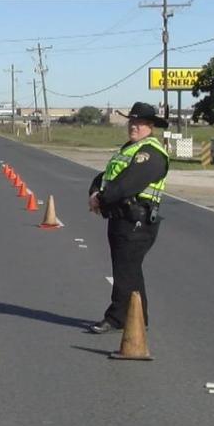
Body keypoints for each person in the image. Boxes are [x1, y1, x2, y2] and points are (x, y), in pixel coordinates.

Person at [86, 102, 170, 334]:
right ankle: (137, 318)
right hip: (122, 219)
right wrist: (95, 191)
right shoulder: (129, 149)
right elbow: (107, 175)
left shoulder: (150, 154)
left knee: (125, 272)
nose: (134, 126)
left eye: (139, 122)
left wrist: (100, 200)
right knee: (129, 270)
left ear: (150, 126)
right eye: (132, 121)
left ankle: (117, 318)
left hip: (137, 221)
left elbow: (126, 184)